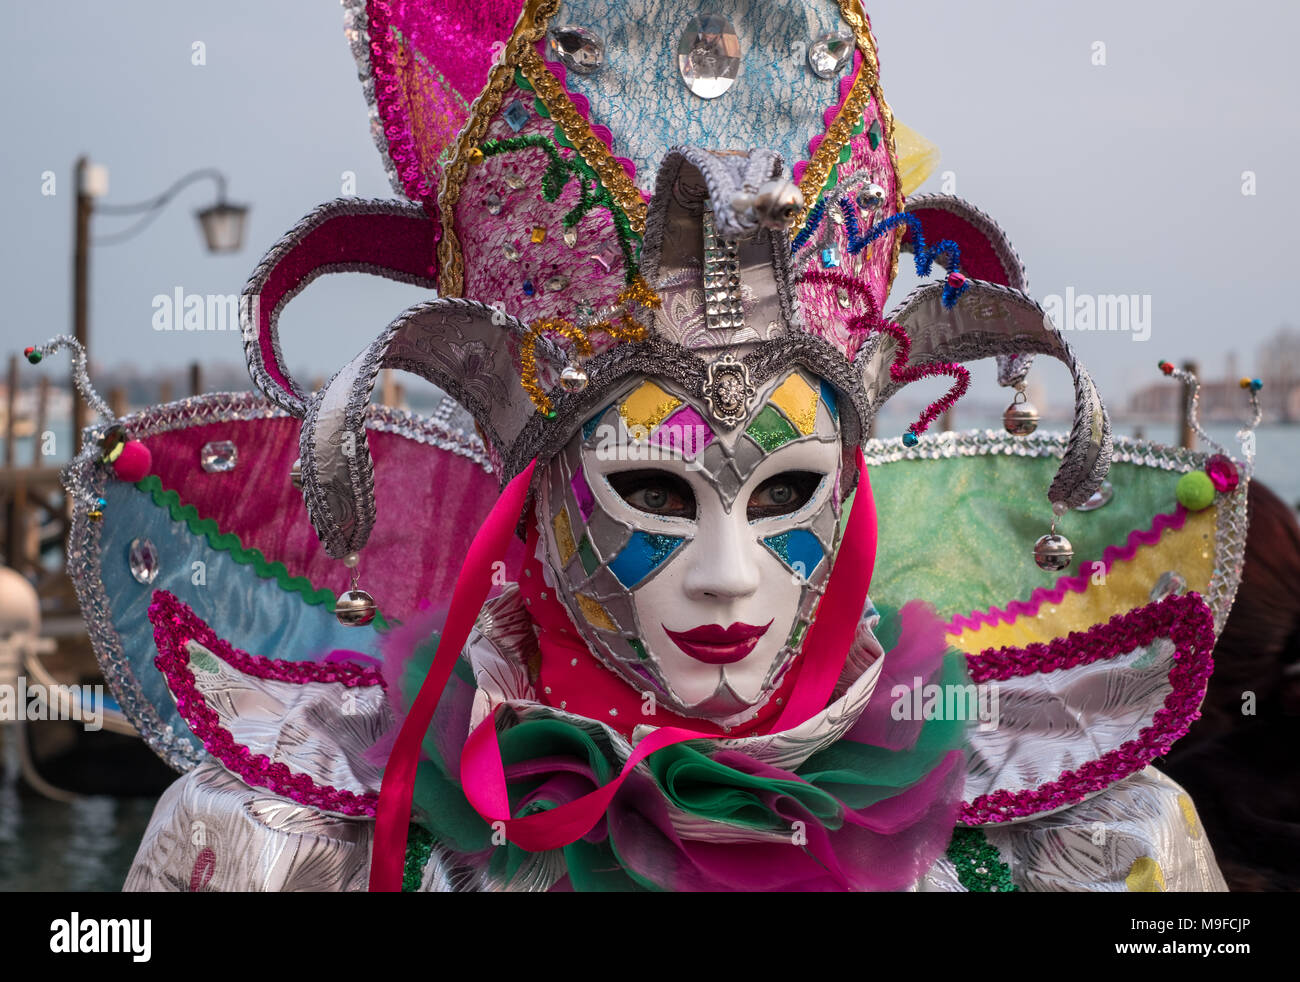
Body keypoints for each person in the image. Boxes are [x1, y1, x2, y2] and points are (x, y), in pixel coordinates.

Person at [47, 0, 1242, 891]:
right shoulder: (288, 837)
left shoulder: (1072, 835)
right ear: (541, 491)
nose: (726, 575)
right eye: (652, 489)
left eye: (785, 491)